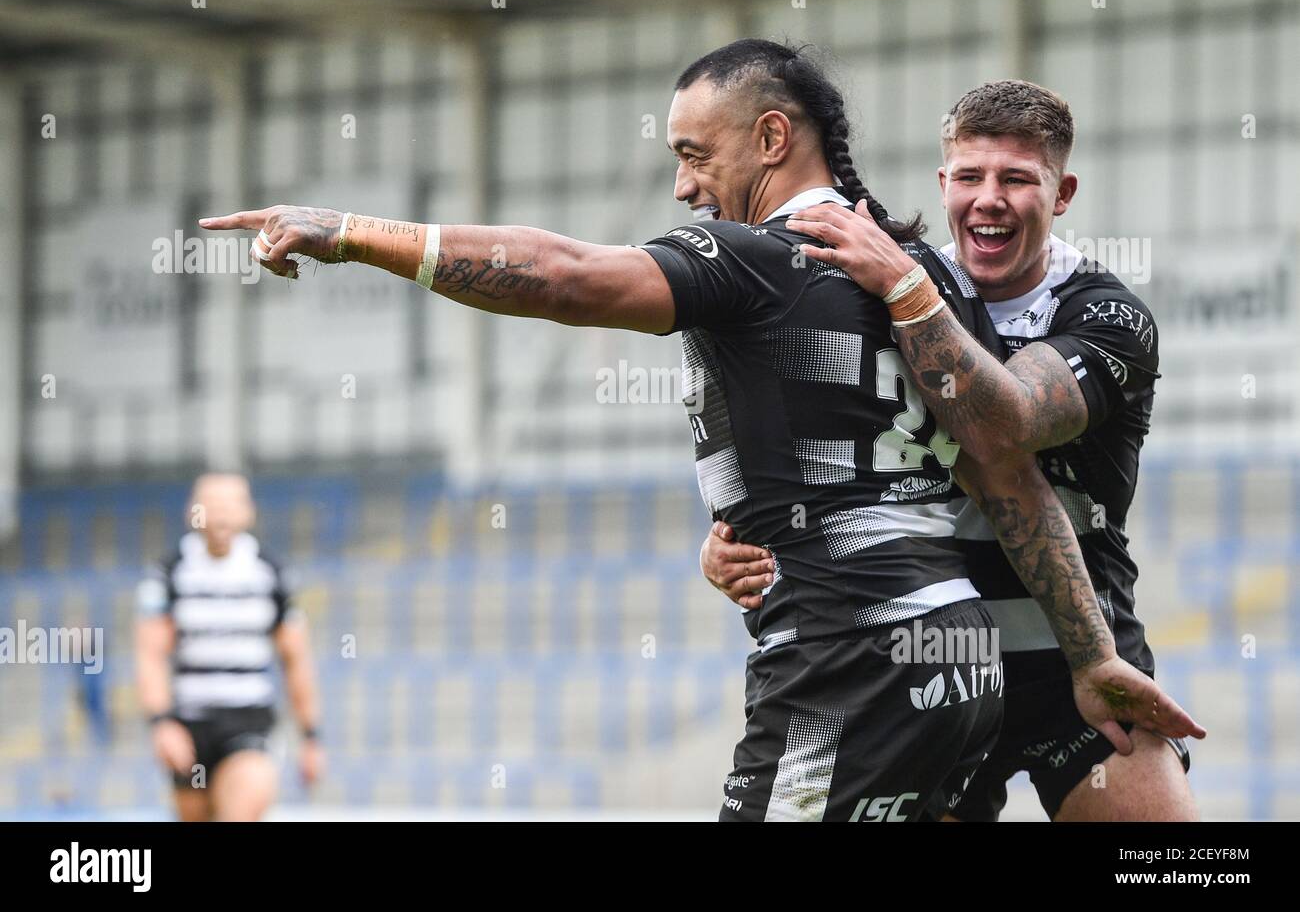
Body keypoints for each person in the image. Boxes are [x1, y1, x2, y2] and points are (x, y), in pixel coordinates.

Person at [198, 40, 1199, 821]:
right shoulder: (921, 282)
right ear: (939, 183)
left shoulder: (932, 287)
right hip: (959, 652)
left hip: (891, 662)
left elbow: (564, 274)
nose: (681, 185)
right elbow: (974, 464)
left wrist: (355, 232)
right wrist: (757, 524)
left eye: (691, 155)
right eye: (966, 177)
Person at [701, 80, 1197, 821]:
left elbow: (1006, 424)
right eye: (969, 177)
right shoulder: (879, 289)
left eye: (1016, 179)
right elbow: (806, 455)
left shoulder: (1107, 315)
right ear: (944, 183)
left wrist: (905, 286)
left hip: (1080, 667)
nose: (988, 199)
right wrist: (732, 543)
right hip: (936, 677)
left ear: (1061, 193)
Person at [135, 472, 324, 821]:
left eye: (230, 504)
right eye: (211, 505)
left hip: (249, 723)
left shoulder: (271, 574)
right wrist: (161, 723)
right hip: (190, 730)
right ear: (193, 511)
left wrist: (311, 737)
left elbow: (295, 660)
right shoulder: (168, 573)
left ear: (248, 512)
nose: (220, 514)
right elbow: (151, 655)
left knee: (240, 811)